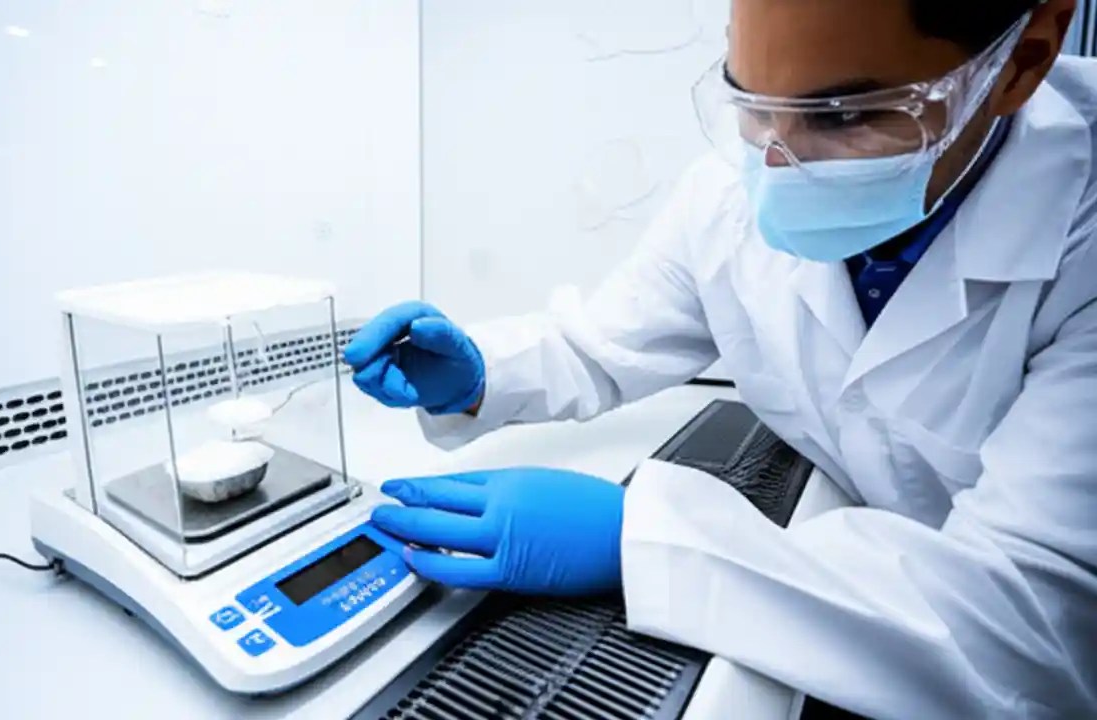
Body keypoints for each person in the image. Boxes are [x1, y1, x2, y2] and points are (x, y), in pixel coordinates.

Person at [344, 0, 1096, 717]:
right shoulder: (728, 197)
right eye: (751, 98)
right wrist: (480, 376)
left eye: (840, 115)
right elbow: (602, 345)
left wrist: (641, 541)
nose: (775, 160)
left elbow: (1030, 634)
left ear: (1022, 61)